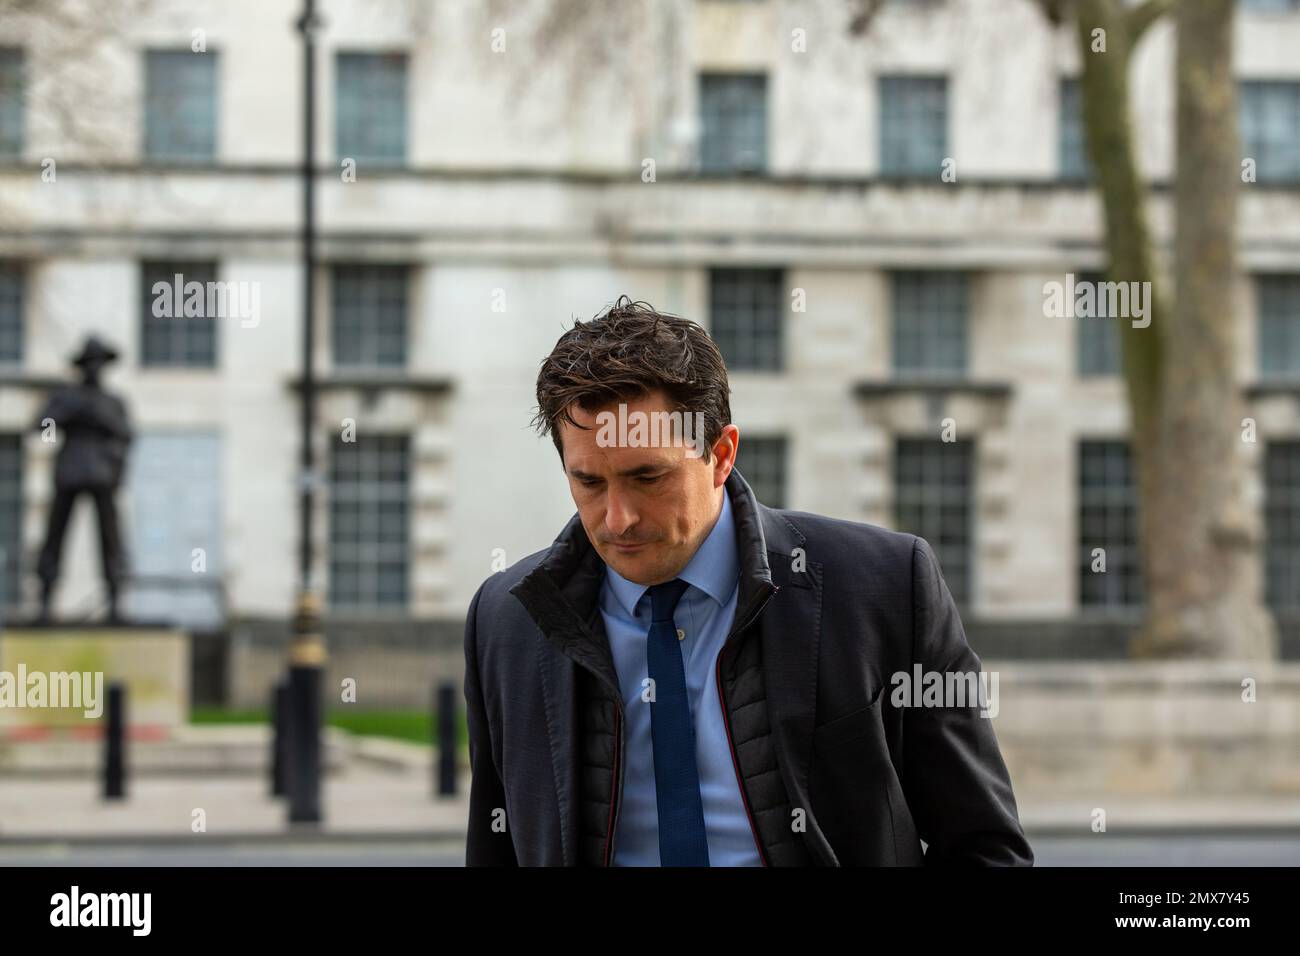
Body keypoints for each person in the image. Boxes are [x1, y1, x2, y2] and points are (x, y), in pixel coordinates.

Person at [463, 296, 1032, 866]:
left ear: (722, 454)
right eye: (588, 482)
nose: (618, 518)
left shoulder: (883, 586)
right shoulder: (504, 619)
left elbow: (984, 848)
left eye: (647, 476)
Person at [34, 335, 133, 624]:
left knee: (111, 538)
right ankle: (45, 600)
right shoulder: (64, 398)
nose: (94, 369)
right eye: (89, 363)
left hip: (102, 475)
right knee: (55, 536)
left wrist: (116, 467)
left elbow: (126, 436)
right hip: (69, 472)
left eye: (98, 363)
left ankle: (116, 601)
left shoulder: (113, 402)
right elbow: (43, 427)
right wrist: (67, 415)